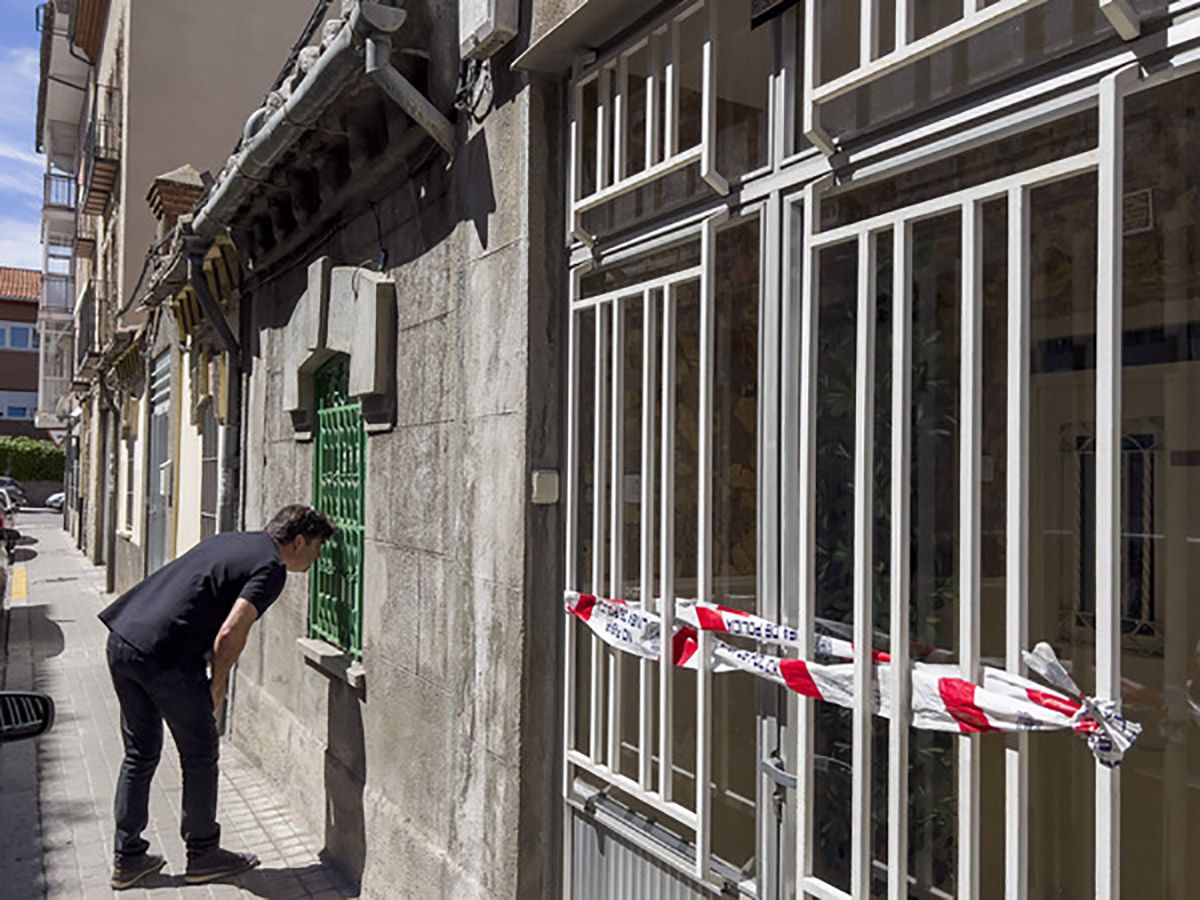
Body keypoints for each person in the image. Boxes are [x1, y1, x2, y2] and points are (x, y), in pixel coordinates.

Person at [99, 504, 334, 889]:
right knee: (200, 751)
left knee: (140, 753)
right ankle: (204, 853)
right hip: (167, 656)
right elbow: (231, 630)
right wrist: (219, 681)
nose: (317, 557)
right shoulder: (271, 567)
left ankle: (128, 859)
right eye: (317, 547)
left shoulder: (230, 541)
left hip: (124, 638)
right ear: (298, 542)